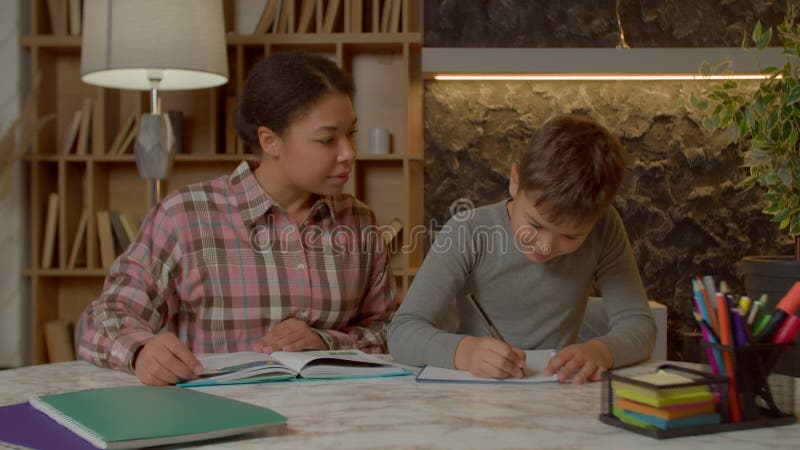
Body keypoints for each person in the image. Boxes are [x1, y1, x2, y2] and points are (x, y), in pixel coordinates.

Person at [77, 51, 398, 386]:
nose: (348, 153)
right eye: (327, 140)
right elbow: (104, 319)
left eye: (351, 134)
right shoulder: (185, 216)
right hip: (219, 419)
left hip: (341, 424)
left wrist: (327, 342)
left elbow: (393, 330)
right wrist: (141, 352)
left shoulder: (358, 220)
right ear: (270, 141)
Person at [388, 114, 656, 384]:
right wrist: (466, 352)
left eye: (571, 236)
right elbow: (402, 332)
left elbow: (639, 325)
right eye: (534, 224)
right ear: (515, 181)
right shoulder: (468, 230)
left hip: (558, 394)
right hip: (476, 397)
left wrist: (600, 352)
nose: (545, 246)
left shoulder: (605, 227)